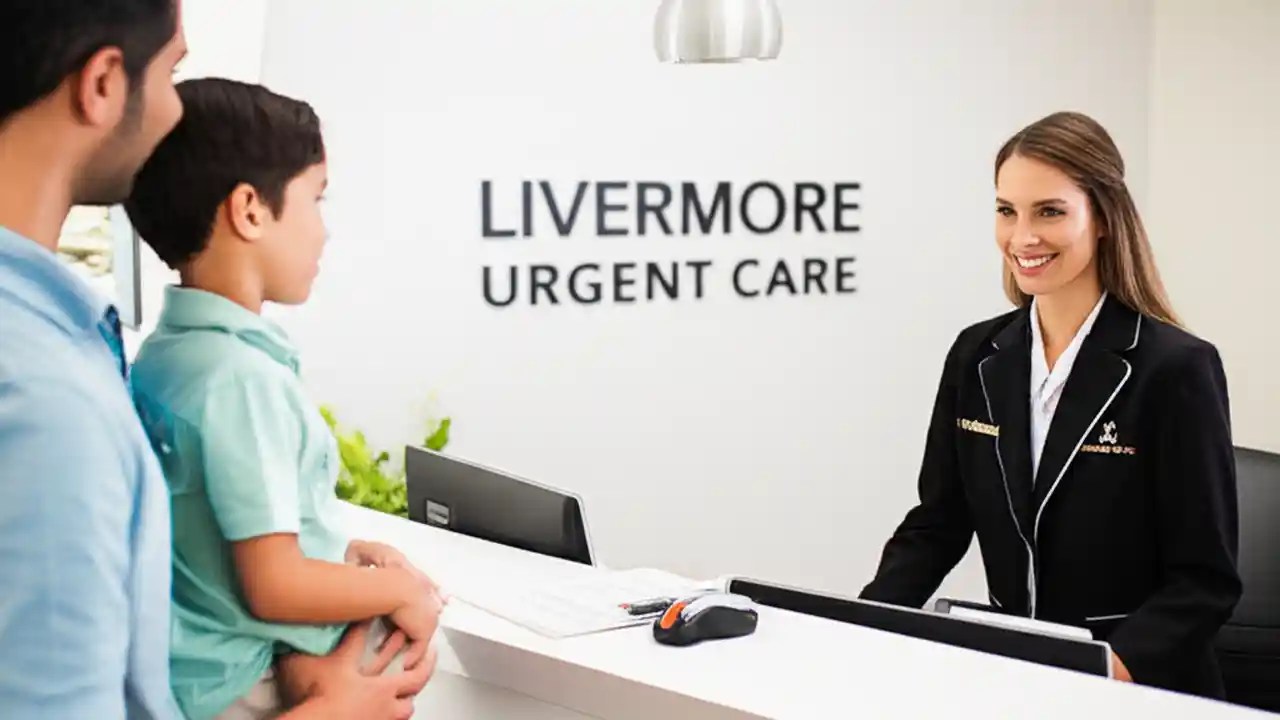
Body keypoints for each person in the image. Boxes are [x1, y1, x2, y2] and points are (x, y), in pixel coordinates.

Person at [0, 3, 432, 718]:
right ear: (104, 83)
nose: (177, 114)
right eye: (173, 71)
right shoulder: (48, 396)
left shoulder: (101, 351)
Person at [860, 111, 1241, 698]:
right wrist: (862, 626)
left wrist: (1107, 669)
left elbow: (1204, 582)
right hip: (1016, 676)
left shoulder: (1175, 368)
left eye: (1050, 211)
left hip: (1141, 688)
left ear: (1105, 217)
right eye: (1006, 211)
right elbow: (937, 525)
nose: (1022, 237)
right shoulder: (977, 354)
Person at [123, 77, 444, 720]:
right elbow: (273, 584)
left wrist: (343, 561)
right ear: (249, 210)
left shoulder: (167, 355)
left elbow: (215, 544)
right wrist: (399, 590)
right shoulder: (241, 379)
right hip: (243, 687)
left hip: (189, 677)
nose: (324, 232)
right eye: (316, 199)